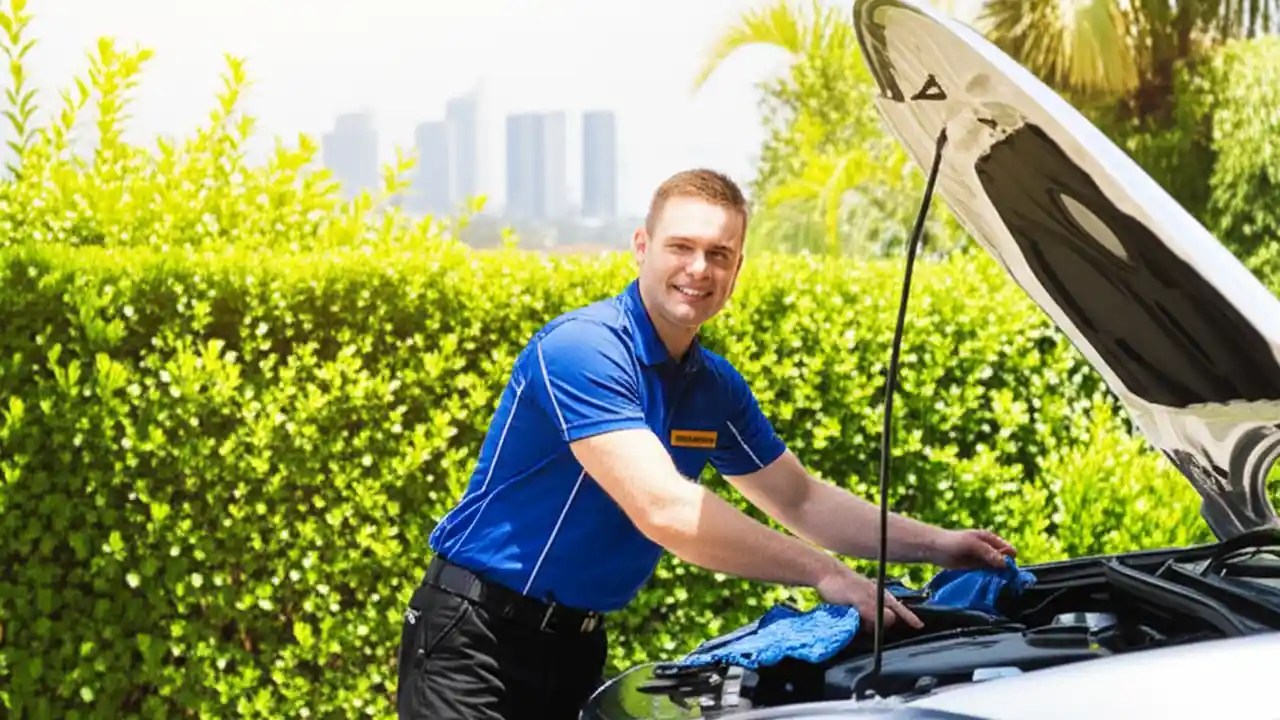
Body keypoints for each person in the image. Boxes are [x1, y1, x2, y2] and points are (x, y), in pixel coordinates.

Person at [395, 168, 1017, 720]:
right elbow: (664, 509)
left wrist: (941, 545)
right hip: (475, 637)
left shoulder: (712, 386)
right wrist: (824, 572)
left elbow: (799, 499)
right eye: (681, 247)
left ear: (737, 269)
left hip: (575, 646)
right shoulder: (583, 350)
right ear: (642, 247)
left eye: (719, 254)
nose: (699, 269)